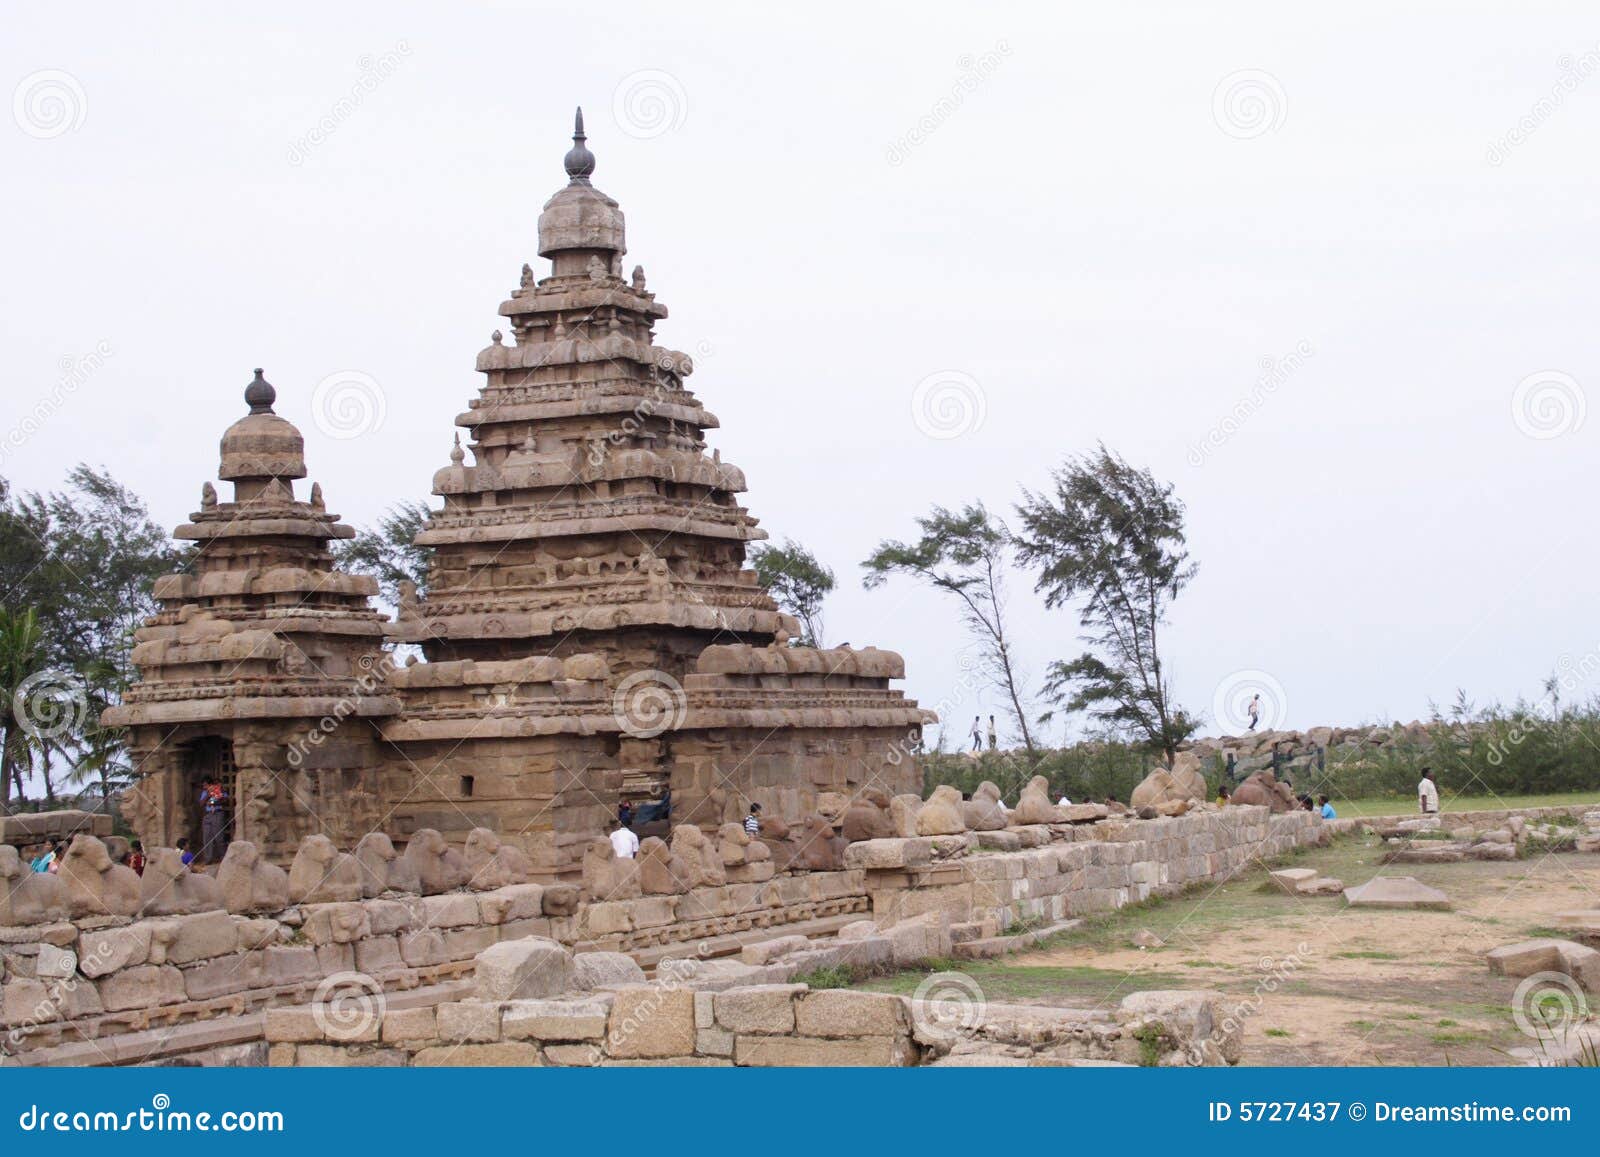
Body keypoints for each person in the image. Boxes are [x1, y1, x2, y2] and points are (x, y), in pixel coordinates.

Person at [198, 776, 229, 863]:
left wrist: (213, 802)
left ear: (210, 784)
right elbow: (201, 803)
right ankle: (208, 858)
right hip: (208, 815)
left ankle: (223, 857)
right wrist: (208, 794)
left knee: (219, 837)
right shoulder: (205, 792)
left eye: (205, 785)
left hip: (217, 813)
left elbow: (225, 799)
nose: (204, 787)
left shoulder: (219, 790)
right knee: (207, 837)